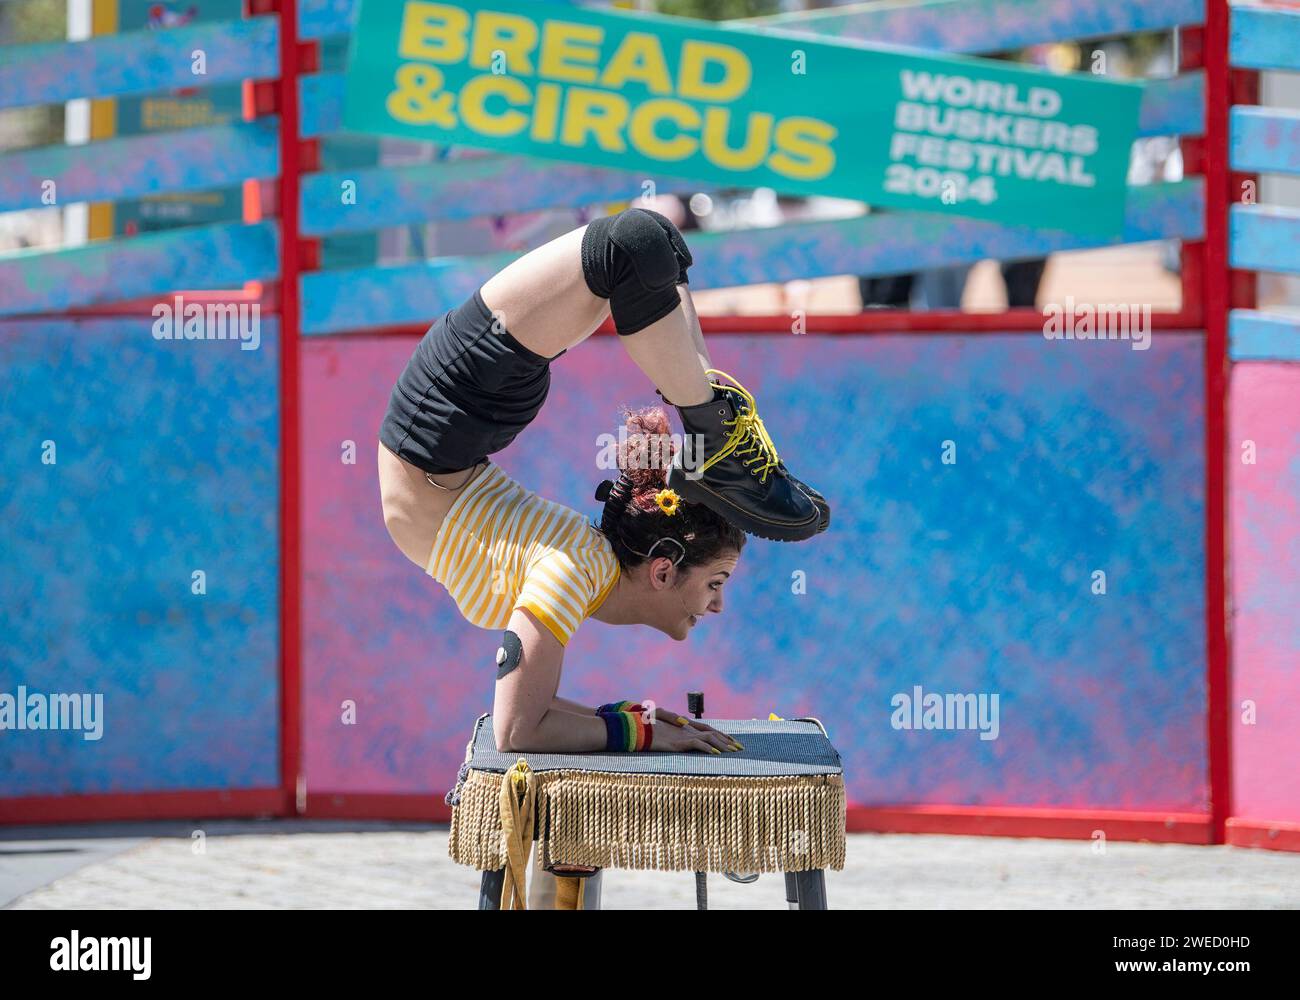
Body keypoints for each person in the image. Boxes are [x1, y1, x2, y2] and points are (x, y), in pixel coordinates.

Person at [377, 206, 830, 761]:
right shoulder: (576, 571)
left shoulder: (581, 566)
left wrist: (628, 719)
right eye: (716, 583)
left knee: (647, 246)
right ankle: (717, 439)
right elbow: (517, 729)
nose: (717, 607)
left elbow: (528, 716)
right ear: (662, 568)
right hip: (447, 419)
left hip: (457, 418)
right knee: (644, 243)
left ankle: (716, 436)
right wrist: (641, 733)